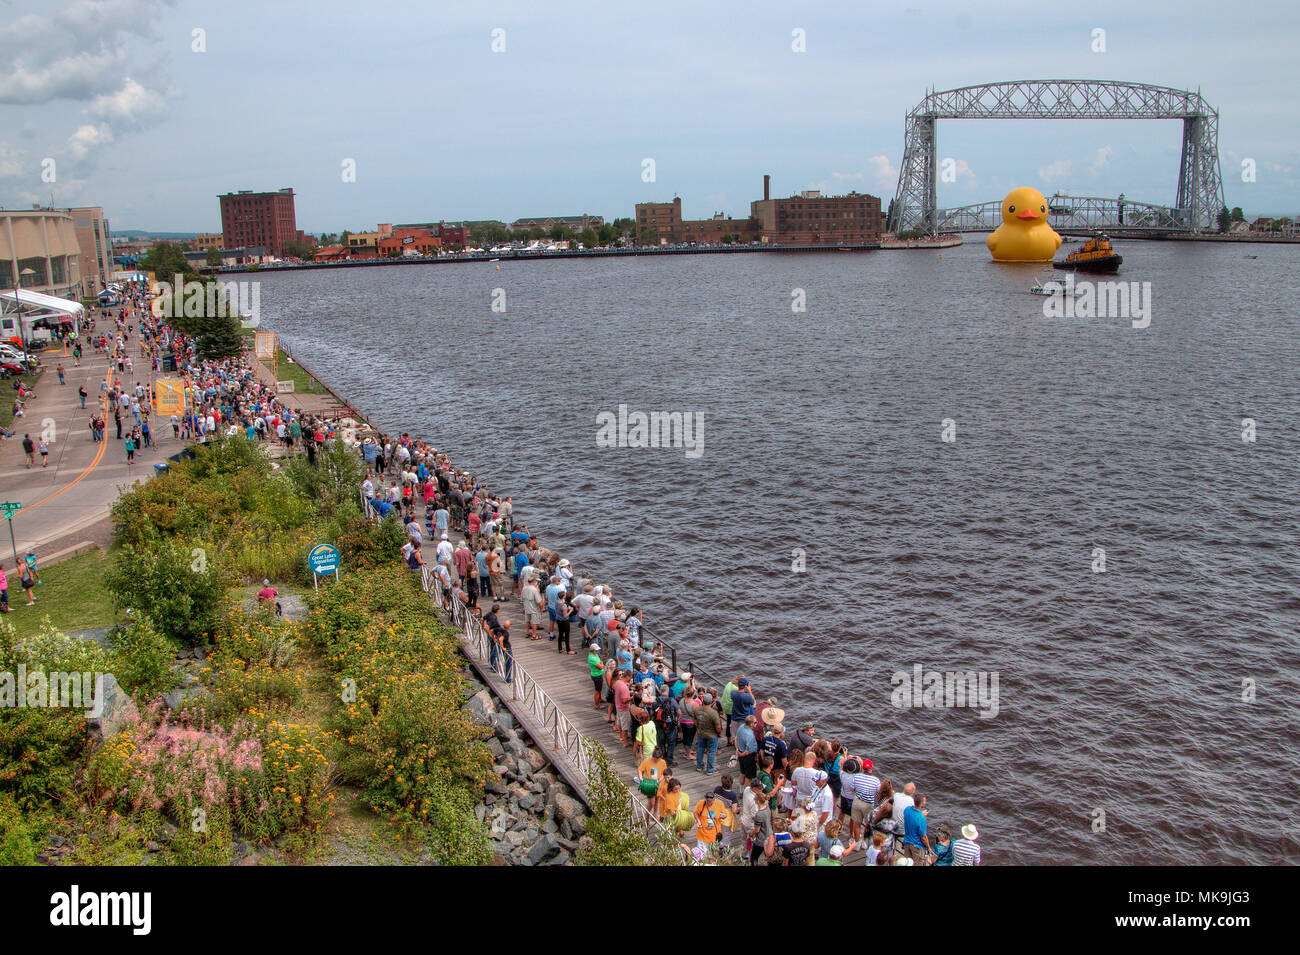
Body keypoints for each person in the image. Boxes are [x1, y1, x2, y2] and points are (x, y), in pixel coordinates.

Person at [694, 693, 723, 774]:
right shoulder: (713, 713)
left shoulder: (697, 710)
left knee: (700, 749)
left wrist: (698, 729)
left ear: (703, 700)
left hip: (701, 733)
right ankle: (709, 769)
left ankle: (699, 766)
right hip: (712, 735)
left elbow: (695, 721)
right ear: (711, 701)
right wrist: (719, 733)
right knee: (712, 751)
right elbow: (718, 726)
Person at [902, 792, 929, 865]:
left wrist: (920, 814)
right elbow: (923, 837)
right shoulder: (922, 819)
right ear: (921, 804)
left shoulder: (907, 809)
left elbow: (912, 817)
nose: (925, 803)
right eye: (924, 802)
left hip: (907, 842)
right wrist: (928, 848)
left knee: (907, 863)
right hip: (917, 846)